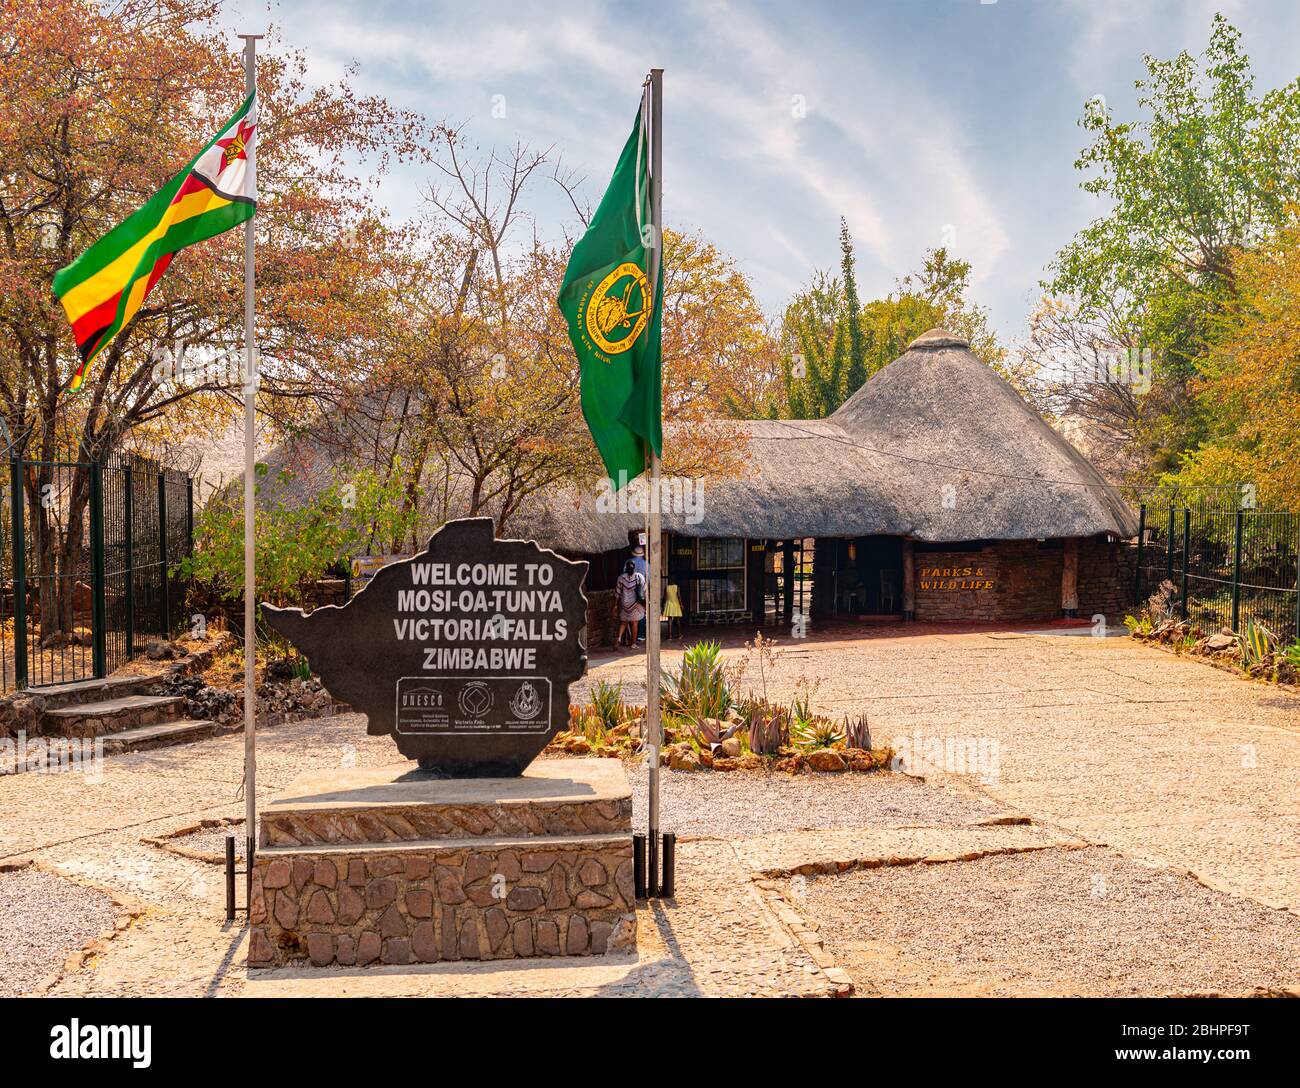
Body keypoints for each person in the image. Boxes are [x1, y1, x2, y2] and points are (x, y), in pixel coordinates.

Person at [613, 559, 646, 650]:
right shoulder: (639, 577)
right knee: (634, 623)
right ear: (634, 568)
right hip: (634, 603)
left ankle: (619, 638)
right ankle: (633, 643)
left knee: (623, 622)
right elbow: (644, 591)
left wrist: (615, 605)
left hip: (624, 603)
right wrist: (646, 603)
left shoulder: (621, 578)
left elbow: (617, 593)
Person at [630, 543, 648, 644]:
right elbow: (649, 579)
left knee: (629, 614)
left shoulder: (628, 562)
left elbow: (624, 575)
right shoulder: (646, 565)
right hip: (642, 592)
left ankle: (630, 637)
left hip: (629, 592)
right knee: (642, 613)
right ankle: (640, 635)